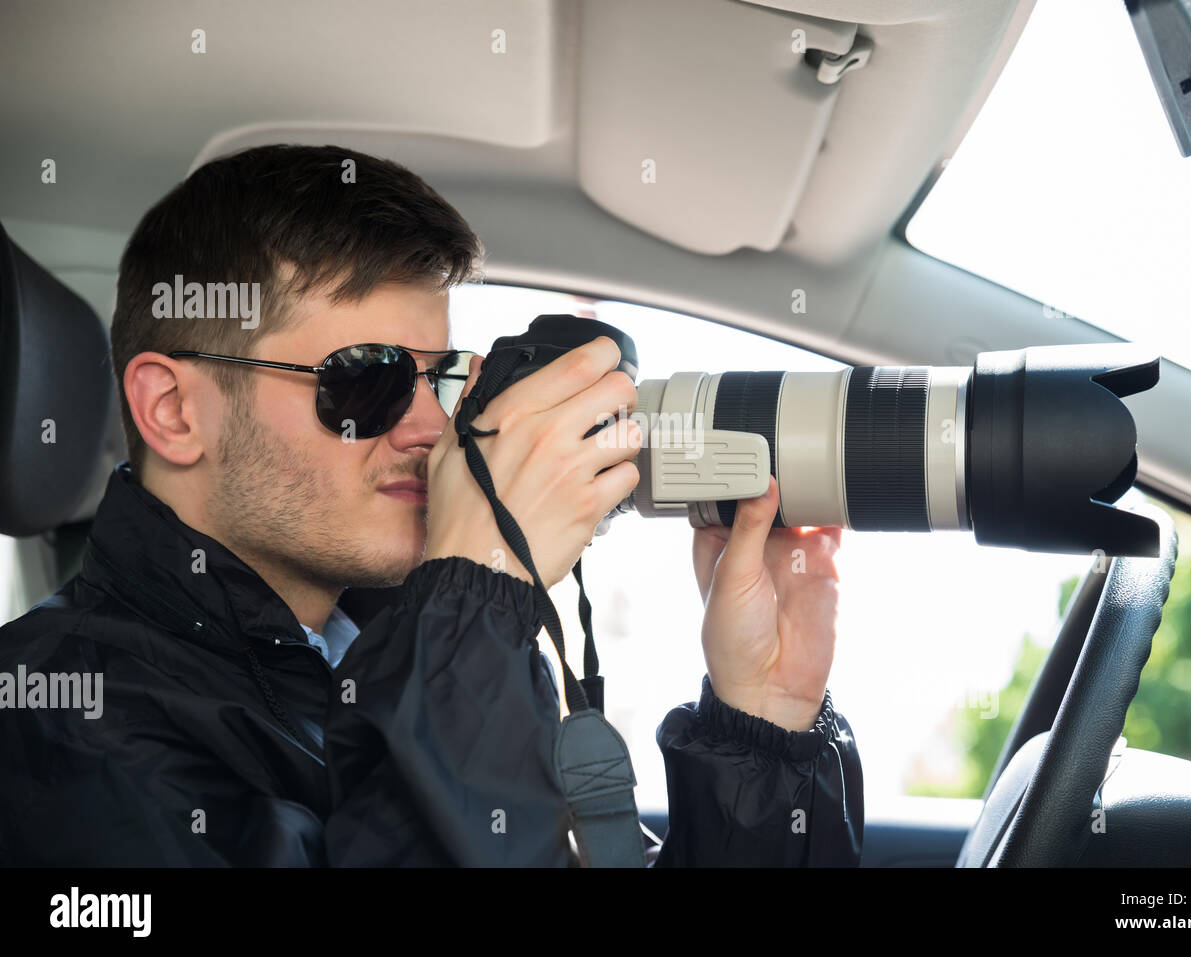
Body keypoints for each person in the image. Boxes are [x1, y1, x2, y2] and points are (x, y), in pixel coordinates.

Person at [0, 144, 863, 866]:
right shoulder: (53, 725)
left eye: (441, 377)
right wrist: (473, 599)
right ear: (176, 411)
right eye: (366, 379)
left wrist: (761, 725)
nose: (428, 426)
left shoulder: (393, 647)